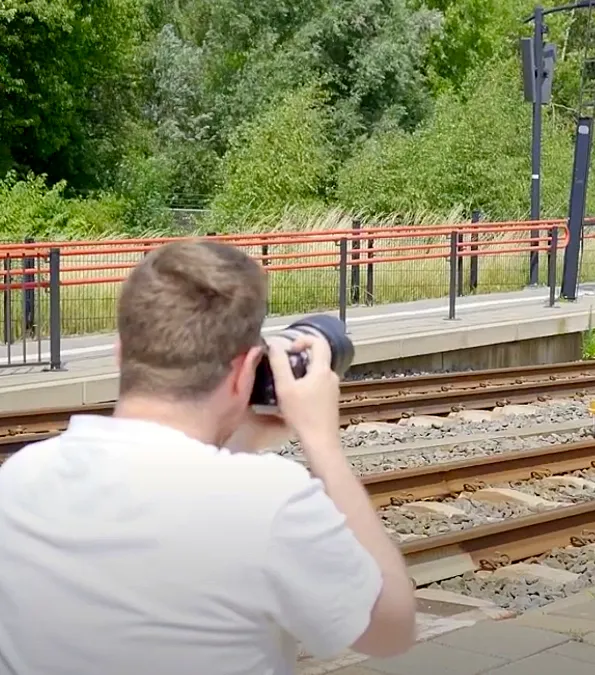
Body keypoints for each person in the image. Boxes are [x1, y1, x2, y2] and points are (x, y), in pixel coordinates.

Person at [0, 241, 417, 675]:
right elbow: (391, 628)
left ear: (121, 350)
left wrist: (239, 439)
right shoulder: (271, 503)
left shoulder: (21, 477)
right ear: (247, 370)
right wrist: (322, 443)